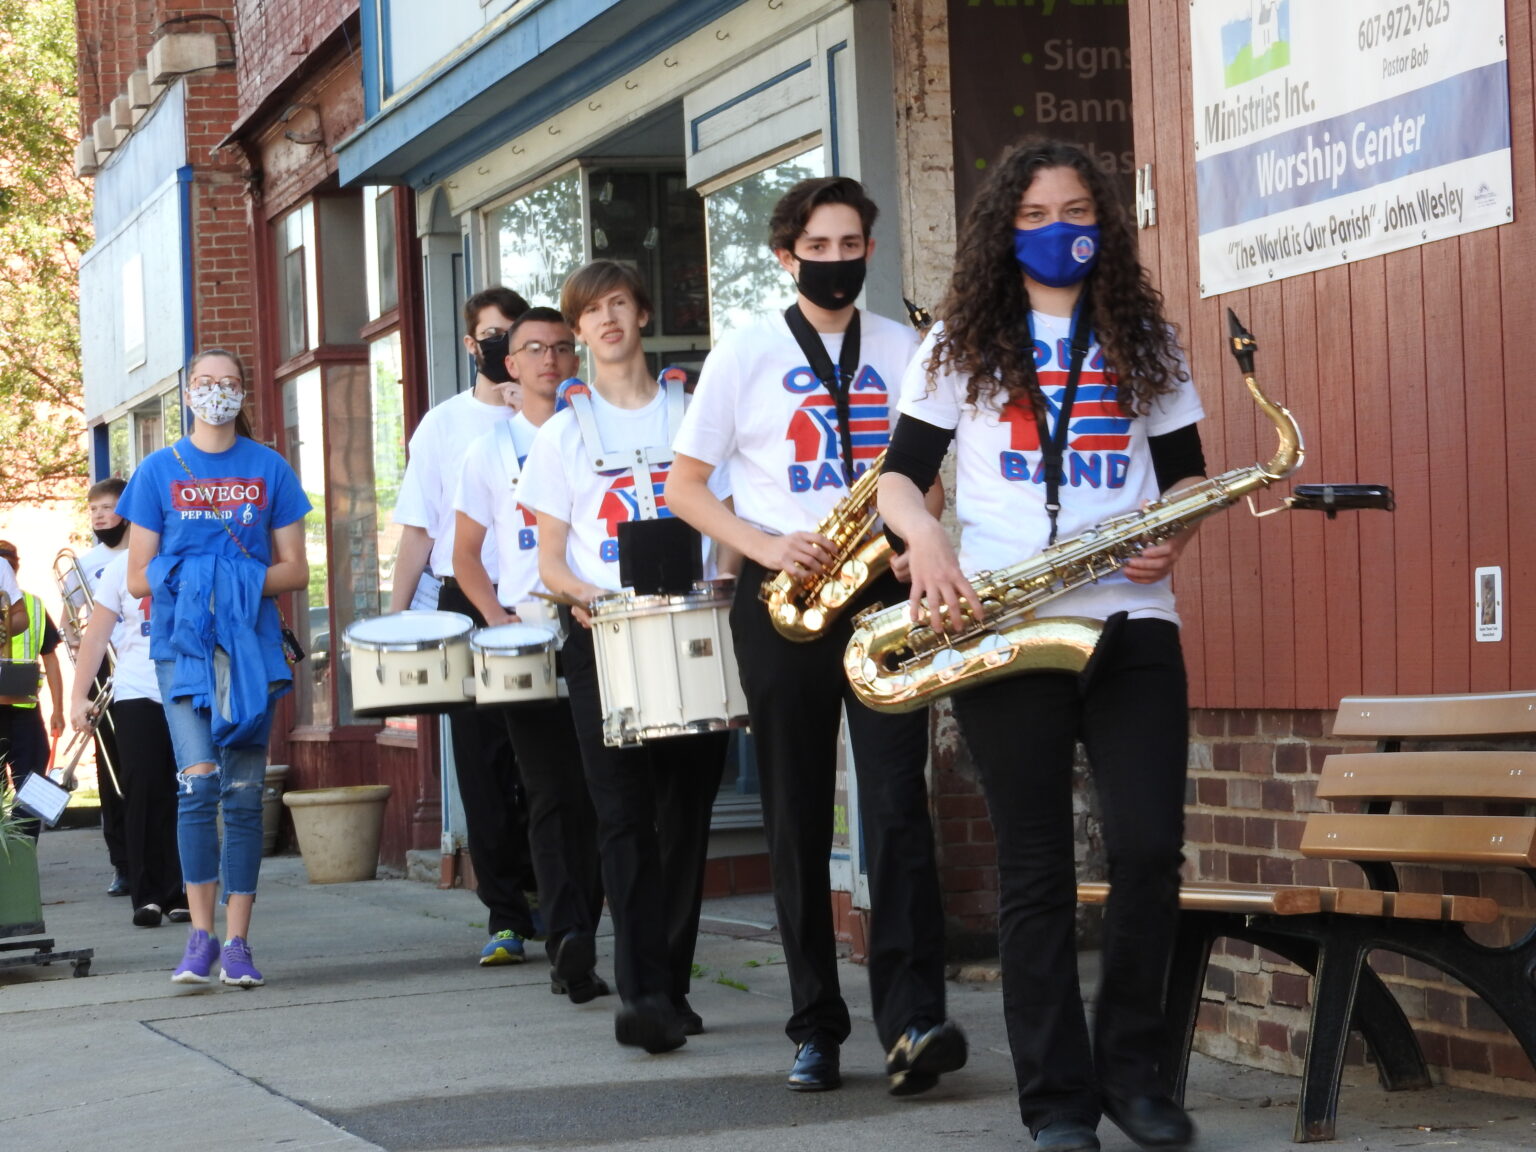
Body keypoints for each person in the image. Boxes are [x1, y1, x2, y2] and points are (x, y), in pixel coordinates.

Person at [877, 138, 1207, 1152]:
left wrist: (1175, 528)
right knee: (1035, 872)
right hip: (1008, 626)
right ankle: (1057, 1105)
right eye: (1032, 214)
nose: (1057, 227)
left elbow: (1189, 475)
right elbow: (900, 478)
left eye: (1073, 209)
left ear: (1102, 220)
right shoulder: (960, 343)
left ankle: (1135, 1077)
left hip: (1131, 623)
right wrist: (925, 534)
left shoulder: (1146, 337)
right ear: (1000, 230)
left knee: (1149, 850)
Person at [665, 176, 964, 1095]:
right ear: (786, 254)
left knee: (897, 805)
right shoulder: (746, 352)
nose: (836, 262)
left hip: (882, 587)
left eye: (851, 246)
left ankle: (913, 1019)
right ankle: (815, 1027)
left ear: (870, 250)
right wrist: (764, 545)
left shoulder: (907, 347)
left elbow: (933, 476)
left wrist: (918, 540)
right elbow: (683, 486)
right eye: (818, 247)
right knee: (795, 813)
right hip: (784, 591)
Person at [518, 260, 730, 1054]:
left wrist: (725, 581)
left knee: (686, 814)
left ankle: (670, 982)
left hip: (693, 630)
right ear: (576, 333)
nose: (605, 321)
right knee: (622, 816)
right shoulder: (562, 433)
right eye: (589, 312)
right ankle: (641, 993)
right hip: (603, 636)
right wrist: (585, 596)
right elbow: (548, 558)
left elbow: (731, 519)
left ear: (641, 314)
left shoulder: (694, 411)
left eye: (617, 305)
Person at [118, 349, 311, 987]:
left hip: (251, 652)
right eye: (206, 383)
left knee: (245, 794)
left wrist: (225, 579)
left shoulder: (270, 468)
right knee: (198, 785)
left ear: (242, 392)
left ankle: (238, 943)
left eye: (229, 383)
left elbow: (296, 568)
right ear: (188, 393)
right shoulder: (156, 471)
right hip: (182, 651)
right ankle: (198, 938)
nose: (218, 393)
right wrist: (200, 578)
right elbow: (139, 575)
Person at [451, 306, 607, 1002]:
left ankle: (595, 930)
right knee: (548, 791)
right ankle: (568, 940)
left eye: (561, 348)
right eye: (533, 349)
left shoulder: (595, 436)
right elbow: (462, 556)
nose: (549, 358)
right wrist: (496, 618)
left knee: (602, 790)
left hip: (596, 628)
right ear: (509, 365)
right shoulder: (487, 452)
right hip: (527, 636)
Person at [390, 285, 542, 966]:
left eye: (514, 330)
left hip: (541, 596)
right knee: (481, 763)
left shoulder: (558, 415)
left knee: (541, 757)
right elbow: (420, 530)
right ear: (471, 342)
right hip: (465, 596)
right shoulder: (444, 426)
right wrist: (397, 620)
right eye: (490, 332)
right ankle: (504, 914)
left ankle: (552, 891)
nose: (502, 342)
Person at [69, 534, 187, 928]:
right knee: (140, 789)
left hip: (189, 688)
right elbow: (96, 636)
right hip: (137, 689)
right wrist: (77, 698)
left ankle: (179, 891)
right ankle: (147, 894)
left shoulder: (189, 556)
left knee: (185, 792)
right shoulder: (119, 569)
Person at [65, 477, 131, 896]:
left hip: (143, 666)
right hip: (106, 671)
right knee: (112, 773)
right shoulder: (84, 564)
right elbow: (71, 627)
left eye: (108, 507)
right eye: (94, 509)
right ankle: (122, 862)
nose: (101, 515)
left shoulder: (146, 556)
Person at [0, 541, 65, 843]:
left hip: (25, 707)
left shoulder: (34, 606)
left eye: (9, 561)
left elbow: (51, 659)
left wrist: (59, 709)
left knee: (34, 781)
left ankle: (23, 848)